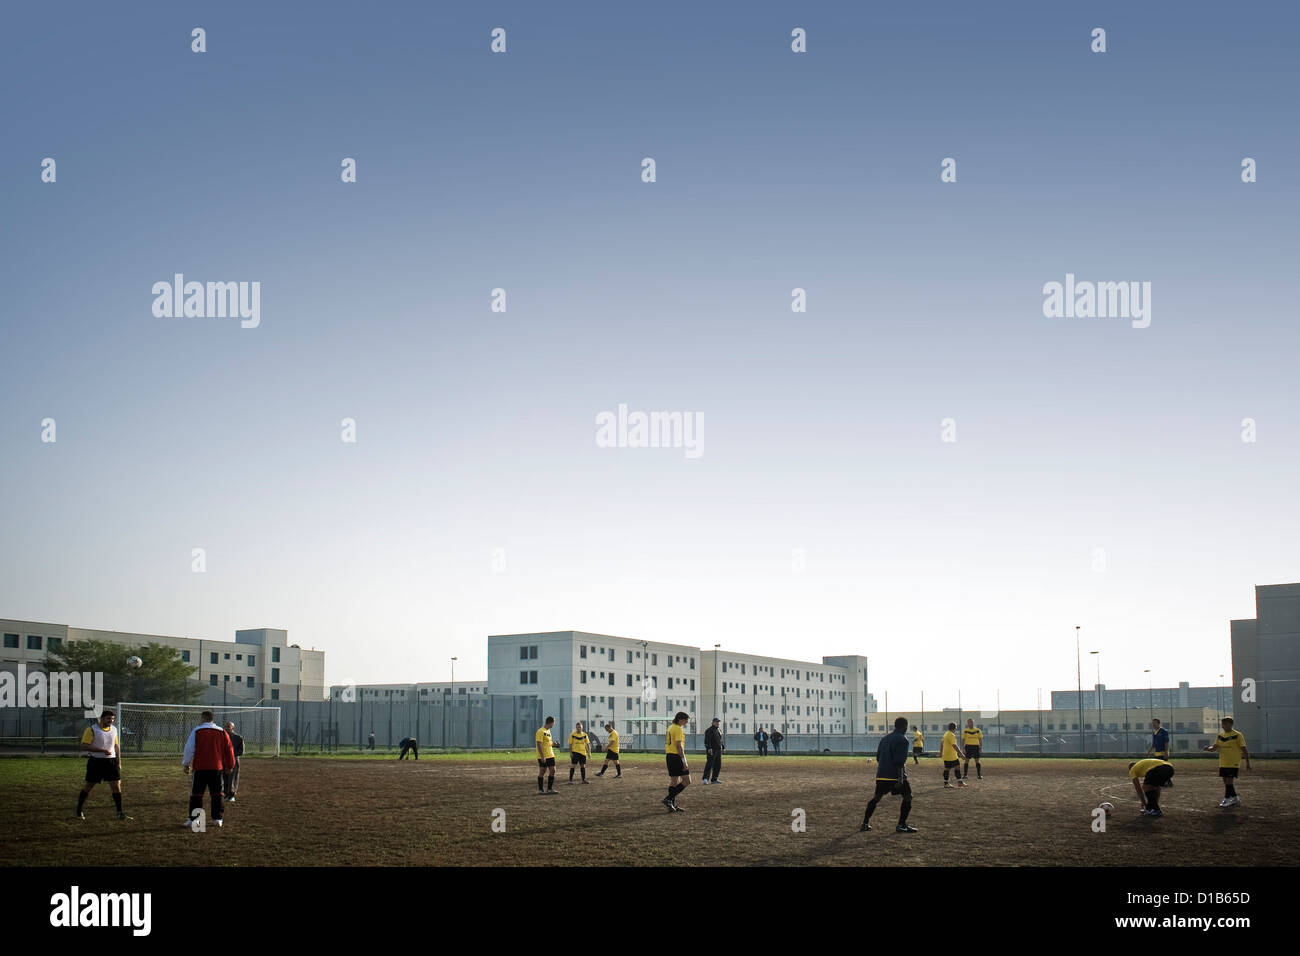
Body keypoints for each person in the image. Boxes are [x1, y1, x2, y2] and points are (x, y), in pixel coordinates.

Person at [861, 717, 917, 833]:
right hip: (895, 775)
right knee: (908, 796)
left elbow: (878, 757)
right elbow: (899, 760)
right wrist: (900, 778)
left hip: (881, 774)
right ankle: (901, 825)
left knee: (876, 798)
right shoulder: (903, 739)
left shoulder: (885, 738)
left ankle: (865, 823)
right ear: (904, 726)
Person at [182, 710, 236, 828]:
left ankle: (195, 819)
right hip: (216, 768)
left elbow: (189, 749)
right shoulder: (222, 732)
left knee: (196, 794)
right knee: (217, 794)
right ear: (212, 719)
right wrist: (230, 765)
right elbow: (229, 749)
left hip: (200, 768)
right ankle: (217, 818)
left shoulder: (197, 731)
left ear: (203, 718)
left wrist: (186, 764)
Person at [77, 709, 129, 820]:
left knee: (116, 786)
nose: (111, 721)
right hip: (96, 762)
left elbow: (116, 746)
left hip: (111, 762)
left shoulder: (114, 729)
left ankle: (120, 812)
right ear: (102, 718)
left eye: (112, 719)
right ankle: (78, 810)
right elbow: (84, 746)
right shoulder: (91, 730)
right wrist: (101, 750)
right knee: (89, 786)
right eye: (108, 718)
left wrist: (119, 761)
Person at [1204, 717, 1250, 808]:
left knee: (1229, 780)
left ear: (1230, 724)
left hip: (1233, 762)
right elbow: (1214, 748)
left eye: (1225, 724)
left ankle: (1227, 799)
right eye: (1222, 724)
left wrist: (1248, 762)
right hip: (1223, 762)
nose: (1223, 726)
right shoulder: (1220, 736)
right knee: (1226, 781)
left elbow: (1244, 749)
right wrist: (1207, 749)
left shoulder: (1237, 735)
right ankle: (1235, 798)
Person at [663, 711, 691, 812]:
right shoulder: (678, 728)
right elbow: (679, 746)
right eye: (686, 720)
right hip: (676, 756)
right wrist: (684, 761)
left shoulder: (670, 727)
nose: (686, 722)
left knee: (674, 781)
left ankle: (672, 805)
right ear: (681, 719)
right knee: (687, 781)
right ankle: (669, 799)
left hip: (669, 756)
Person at [536, 716, 558, 794]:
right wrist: (542, 756)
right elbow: (539, 744)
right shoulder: (540, 731)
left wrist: (553, 744)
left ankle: (550, 789)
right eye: (554, 722)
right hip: (543, 755)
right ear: (551, 722)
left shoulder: (548, 731)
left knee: (553, 770)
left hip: (550, 755)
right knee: (542, 771)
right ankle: (540, 790)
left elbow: (548, 743)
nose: (554, 724)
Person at [941, 722, 966, 788]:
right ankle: (959, 783)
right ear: (955, 728)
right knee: (956, 767)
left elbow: (941, 743)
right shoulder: (951, 735)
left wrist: (941, 752)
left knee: (947, 769)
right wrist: (961, 754)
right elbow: (954, 745)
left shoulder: (946, 734)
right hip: (951, 755)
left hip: (946, 754)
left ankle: (946, 783)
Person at [222, 721, 243, 802]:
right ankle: (226, 794)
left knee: (232, 778)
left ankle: (231, 794)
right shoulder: (222, 737)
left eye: (228, 726)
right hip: (224, 761)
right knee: (224, 777)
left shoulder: (238, 738)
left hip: (234, 760)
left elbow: (241, 751)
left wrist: (231, 755)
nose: (226, 728)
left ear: (232, 728)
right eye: (225, 726)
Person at [702, 717, 724, 784]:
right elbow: (706, 741)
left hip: (718, 750)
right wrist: (709, 748)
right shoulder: (709, 730)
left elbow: (720, 740)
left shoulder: (719, 730)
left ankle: (714, 779)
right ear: (712, 722)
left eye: (718, 722)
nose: (717, 723)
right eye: (716, 722)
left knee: (718, 765)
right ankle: (705, 779)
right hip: (712, 750)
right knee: (709, 764)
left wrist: (723, 747)